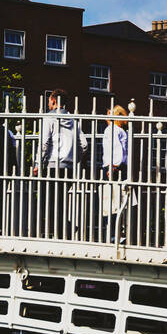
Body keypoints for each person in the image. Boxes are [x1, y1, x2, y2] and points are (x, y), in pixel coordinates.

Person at [35, 90, 88, 239]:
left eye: (49, 102)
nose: (48, 105)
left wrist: (38, 163)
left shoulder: (49, 117)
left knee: (46, 202)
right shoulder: (73, 119)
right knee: (61, 201)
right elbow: (84, 145)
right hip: (68, 167)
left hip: (52, 165)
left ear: (53, 101)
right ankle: (64, 231)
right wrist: (73, 158)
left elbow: (44, 143)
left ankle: (66, 229)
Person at [101, 105, 129, 243]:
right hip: (122, 168)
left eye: (109, 114)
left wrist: (113, 165)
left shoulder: (111, 129)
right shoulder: (122, 131)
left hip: (112, 167)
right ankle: (119, 232)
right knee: (120, 202)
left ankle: (112, 234)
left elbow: (116, 149)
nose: (107, 118)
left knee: (110, 203)